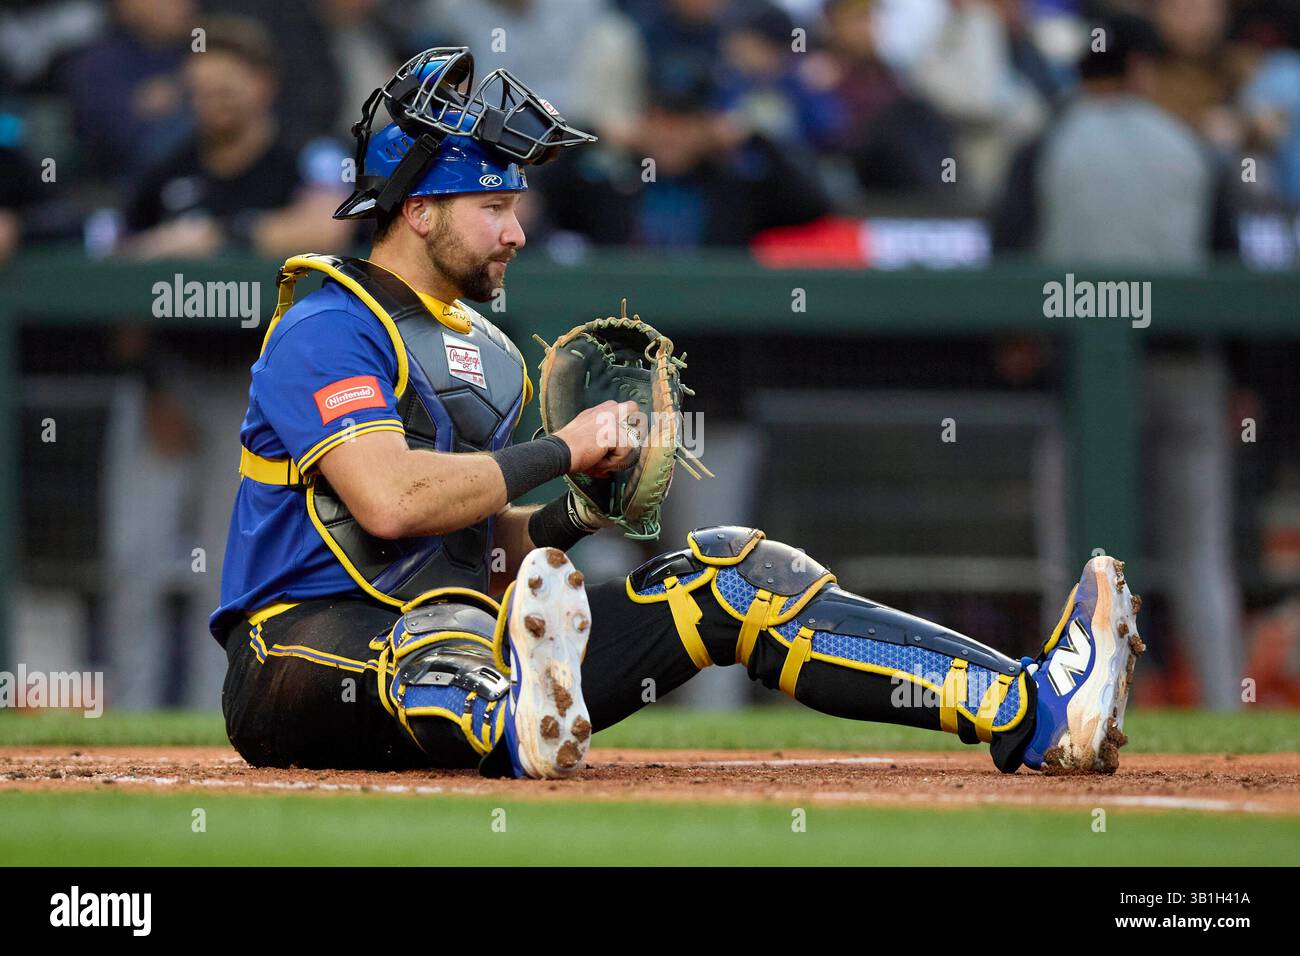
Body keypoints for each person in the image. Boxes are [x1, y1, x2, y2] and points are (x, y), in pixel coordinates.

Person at [211, 47, 1143, 778]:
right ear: (418, 210)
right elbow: (390, 503)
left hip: (467, 632)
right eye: (494, 204)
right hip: (299, 659)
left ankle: (1035, 706)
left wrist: (578, 510)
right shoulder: (327, 321)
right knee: (434, 646)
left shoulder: (489, 350)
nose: (518, 230)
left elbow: (478, 551)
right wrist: (562, 448)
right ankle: (510, 715)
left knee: (737, 573)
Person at [118, 16, 353, 259]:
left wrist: (219, 236)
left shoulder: (316, 154)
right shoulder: (167, 166)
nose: (210, 106)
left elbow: (326, 231)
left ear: (264, 84)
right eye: (198, 93)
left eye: (224, 92)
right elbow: (124, 246)